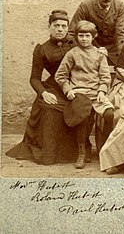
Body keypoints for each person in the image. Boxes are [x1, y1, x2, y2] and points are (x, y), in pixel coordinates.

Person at [6, 10, 78, 165]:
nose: (60, 29)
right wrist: (43, 93)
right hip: (54, 87)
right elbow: (34, 78)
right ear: (49, 27)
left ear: (68, 28)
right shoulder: (42, 49)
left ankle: (76, 151)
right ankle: (49, 154)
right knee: (48, 108)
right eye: (56, 25)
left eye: (63, 26)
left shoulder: (77, 43)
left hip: (77, 85)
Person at [55, 20, 114, 168]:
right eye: (81, 35)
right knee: (83, 114)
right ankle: (82, 150)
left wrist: (102, 90)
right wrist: (68, 89)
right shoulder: (72, 53)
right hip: (79, 92)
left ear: (93, 36)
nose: (84, 39)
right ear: (76, 37)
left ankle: (105, 148)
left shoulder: (99, 54)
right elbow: (60, 76)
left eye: (87, 35)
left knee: (109, 114)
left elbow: (105, 76)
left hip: (96, 92)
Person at [69, 0, 124, 66]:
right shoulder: (85, 6)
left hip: (113, 49)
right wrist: (84, 52)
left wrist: (123, 56)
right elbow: (72, 32)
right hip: (90, 47)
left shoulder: (119, 6)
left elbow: (122, 32)